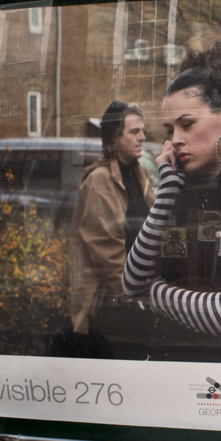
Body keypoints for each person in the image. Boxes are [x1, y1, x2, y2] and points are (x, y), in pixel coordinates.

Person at [121, 52, 221, 362]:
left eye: (187, 124)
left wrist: (155, 294)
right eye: (170, 130)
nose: (174, 141)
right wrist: (167, 190)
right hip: (169, 368)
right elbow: (132, 281)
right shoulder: (184, 184)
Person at [68, 101, 155, 354]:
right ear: (114, 139)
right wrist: (137, 296)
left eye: (143, 130)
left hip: (135, 296)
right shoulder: (100, 181)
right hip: (109, 304)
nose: (143, 137)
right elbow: (106, 250)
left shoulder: (141, 175)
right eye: (134, 132)